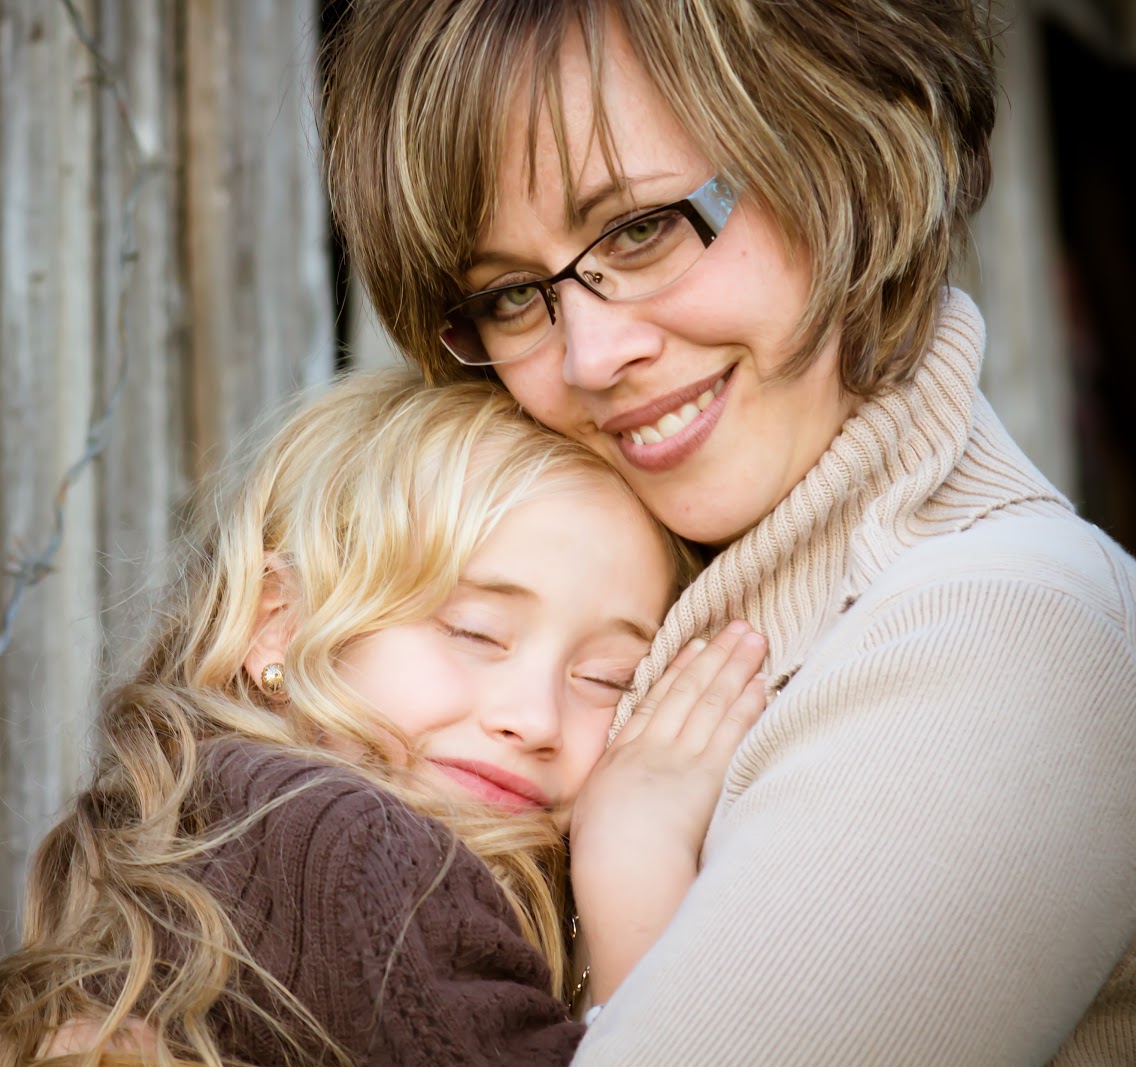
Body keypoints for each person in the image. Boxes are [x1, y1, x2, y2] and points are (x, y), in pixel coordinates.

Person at [321, 2, 1136, 1064]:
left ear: (840, 141)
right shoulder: (582, 640)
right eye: (514, 295)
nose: (589, 355)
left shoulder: (1001, 634)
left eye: (641, 227)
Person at [0, 371, 768, 1066]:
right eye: (474, 632)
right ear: (274, 622)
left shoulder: (211, 829)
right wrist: (638, 864)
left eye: (606, 677)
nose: (535, 717)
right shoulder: (358, 848)